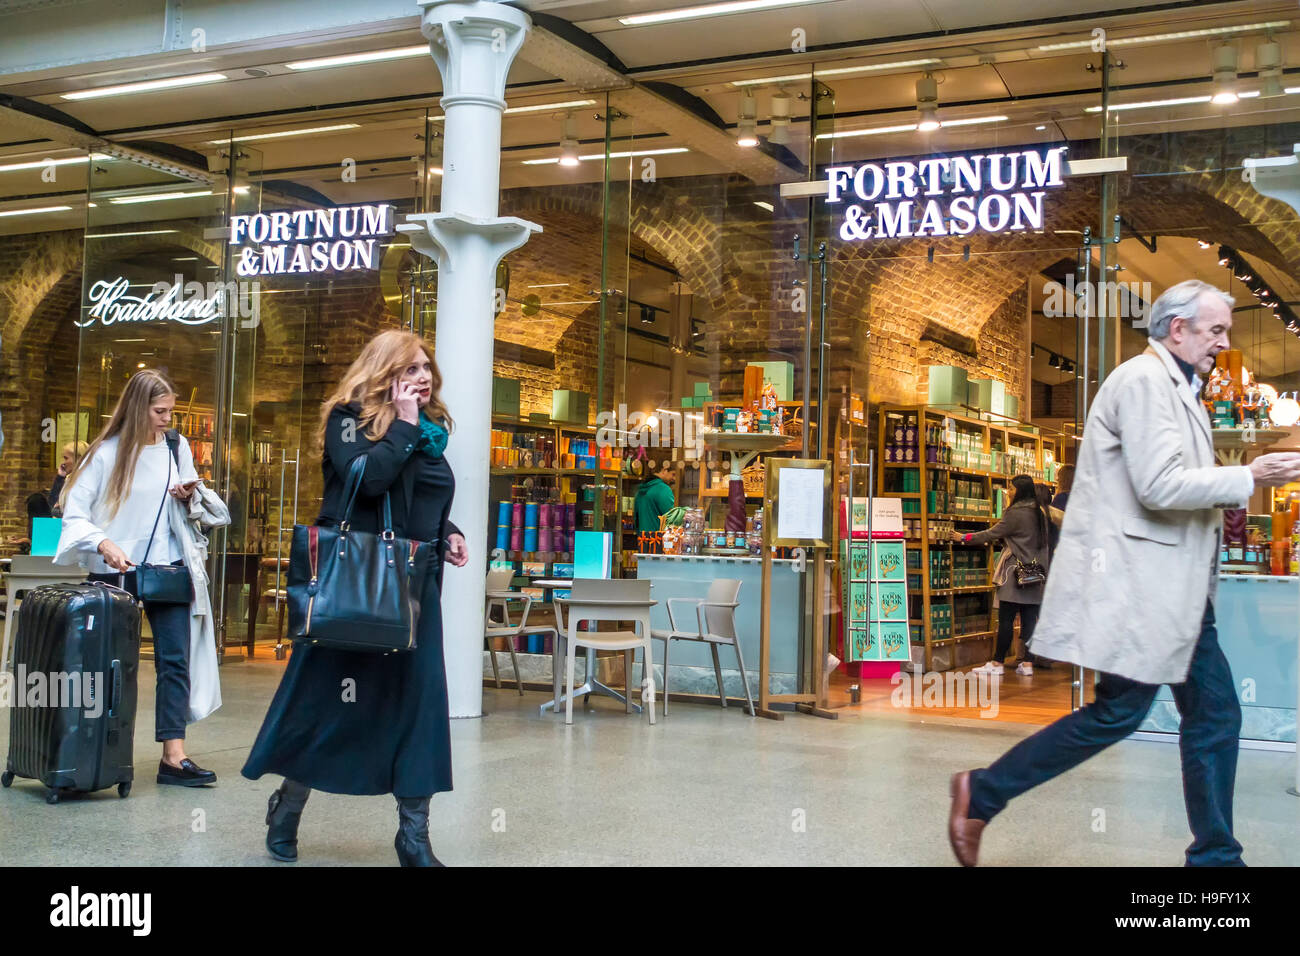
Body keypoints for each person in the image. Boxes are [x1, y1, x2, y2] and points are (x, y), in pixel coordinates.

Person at [948, 280, 1300, 867]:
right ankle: (981, 791)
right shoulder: (1142, 383)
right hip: (1145, 588)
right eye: (1215, 329)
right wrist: (1251, 477)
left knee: (1212, 714)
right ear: (1177, 328)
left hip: (1174, 591)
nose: (1224, 341)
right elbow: (1160, 486)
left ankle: (1217, 857)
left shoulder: (1175, 387)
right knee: (1120, 712)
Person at [242, 329, 469, 867]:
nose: (422, 378)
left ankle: (413, 835)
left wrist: (449, 529)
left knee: (418, 707)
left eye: (425, 369)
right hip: (356, 587)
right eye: (409, 369)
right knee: (327, 703)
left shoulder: (428, 433)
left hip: (414, 589)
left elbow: (415, 497)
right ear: (383, 373)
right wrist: (405, 426)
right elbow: (367, 484)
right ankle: (289, 806)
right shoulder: (349, 421)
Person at [55, 369, 228, 787]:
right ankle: (102, 754)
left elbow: (192, 504)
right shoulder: (106, 453)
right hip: (117, 571)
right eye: (160, 410)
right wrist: (102, 543)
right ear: (138, 408)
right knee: (113, 666)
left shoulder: (176, 445)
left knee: (174, 661)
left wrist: (190, 497)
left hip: (168, 567)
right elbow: (74, 513)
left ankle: (174, 755)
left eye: (170, 410)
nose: (168, 418)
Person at [952, 474, 1048, 678]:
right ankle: (1028, 664)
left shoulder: (1015, 513)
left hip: (1014, 576)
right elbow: (1044, 547)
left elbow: (991, 534)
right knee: (1030, 622)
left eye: (1012, 489)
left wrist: (965, 537)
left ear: (1020, 491)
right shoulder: (1040, 513)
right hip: (1034, 577)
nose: (1009, 493)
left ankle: (997, 662)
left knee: (1005, 620)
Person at [634, 460, 677, 533]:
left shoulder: (640, 490)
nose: (674, 479)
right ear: (664, 470)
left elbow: (636, 519)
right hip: (657, 540)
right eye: (673, 474)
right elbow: (671, 519)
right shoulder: (663, 489)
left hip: (642, 539)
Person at [49, 440, 89, 516]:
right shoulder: (69, 479)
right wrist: (60, 477)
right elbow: (52, 503)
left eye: (66, 458)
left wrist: (56, 511)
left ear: (78, 459)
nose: (63, 463)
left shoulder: (84, 482)